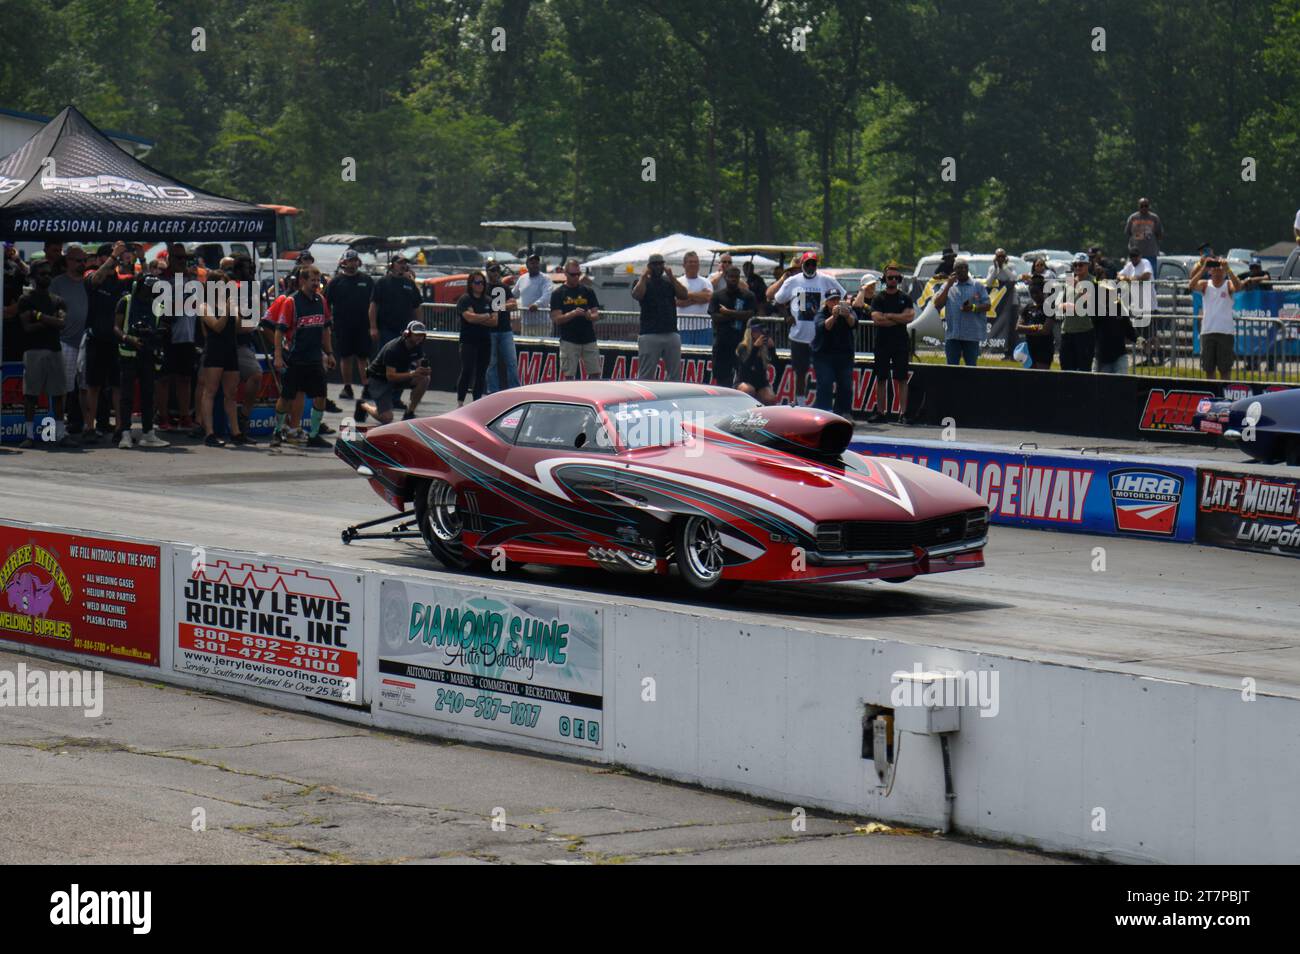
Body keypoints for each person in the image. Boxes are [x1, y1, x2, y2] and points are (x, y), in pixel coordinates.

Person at [271, 266, 335, 448]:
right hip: (295, 358)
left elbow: (325, 329)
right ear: (302, 281)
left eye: (318, 280)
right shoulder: (291, 302)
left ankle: (313, 434)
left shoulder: (321, 300)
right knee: (286, 397)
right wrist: (277, 355)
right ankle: (277, 431)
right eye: (312, 280)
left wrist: (329, 353)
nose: (316, 284)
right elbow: (279, 330)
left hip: (315, 358)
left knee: (321, 395)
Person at [769, 250, 845, 401]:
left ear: (817, 265)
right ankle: (801, 403)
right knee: (800, 372)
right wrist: (787, 316)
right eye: (807, 264)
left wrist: (833, 314)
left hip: (821, 336)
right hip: (799, 337)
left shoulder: (826, 280)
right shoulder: (793, 281)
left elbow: (842, 295)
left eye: (813, 264)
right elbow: (778, 299)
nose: (810, 266)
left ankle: (824, 403)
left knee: (825, 372)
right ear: (802, 264)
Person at [15, 260, 77, 448]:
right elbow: (27, 327)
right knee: (31, 396)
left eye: (49, 273)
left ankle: (59, 435)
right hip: (33, 351)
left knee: (58, 394)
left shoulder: (58, 300)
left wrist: (39, 316)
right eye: (42, 274)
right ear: (33, 276)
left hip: (54, 350)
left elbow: (62, 324)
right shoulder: (25, 299)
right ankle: (29, 435)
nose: (47, 277)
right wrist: (50, 321)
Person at [81, 241, 135, 443]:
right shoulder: (92, 275)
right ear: (101, 258)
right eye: (110, 256)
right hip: (96, 339)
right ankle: (89, 427)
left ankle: (121, 428)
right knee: (93, 385)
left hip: (117, 341)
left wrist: (136, 259)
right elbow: (95, 280)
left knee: (118, 386)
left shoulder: (124, 280)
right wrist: (113, 256)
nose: (115, 259)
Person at [114, 260, 169, 448]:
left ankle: (148, 433)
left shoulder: (157, 304)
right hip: (128, 353)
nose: (150, 293)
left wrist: (157, 334)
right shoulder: (126, 301)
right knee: (126, 396)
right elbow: (115, 327)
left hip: (148, 353)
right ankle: (125, 434)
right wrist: (129, 339)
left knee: (148, 394)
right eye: (148, 289)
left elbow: (163, 325)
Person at [197, 268, 253, 447]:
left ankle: (235, 432)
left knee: (231, 393)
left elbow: (236, 326)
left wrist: (239, 311)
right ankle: (209, 432)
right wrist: (228, 309)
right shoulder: (205, 306)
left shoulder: (230, 305)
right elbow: (217, 326)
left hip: (230, 350)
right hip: (214, 350)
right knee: (210, 391)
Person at [154, 243, 199, 431]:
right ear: (169, 259)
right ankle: (162, 416)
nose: (183, 262)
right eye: (179, 258)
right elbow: (159, 309)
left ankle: (185, 416)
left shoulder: (192, 280)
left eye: (185, 258)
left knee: (185, 378)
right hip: (167, 336)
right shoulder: (160, 280)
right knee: (163, 379)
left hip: (187, 335)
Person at [355, 321, 430, 424]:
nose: (419, 338)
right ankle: (363, 405)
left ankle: (409, 412)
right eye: (417, 335)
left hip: (397, 377)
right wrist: (413, 373)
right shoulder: (393, 349)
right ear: (407, 334)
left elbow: (420, 364)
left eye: (422, 335)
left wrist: (424, 370)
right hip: (379, 380)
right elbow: (390, 376)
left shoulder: (417, 346)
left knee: (424, 379)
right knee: (386, 418)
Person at [867, 263, 914, 423]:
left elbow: (909, 317)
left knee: (901, 378)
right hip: (882, 342)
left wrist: (889, 316)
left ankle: (904, 413)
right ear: (884, 279)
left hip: (900, 343)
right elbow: (878, 320)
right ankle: (881, 412)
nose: (893, 280)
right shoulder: (878, 298)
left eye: (896, 277)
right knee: (881, 378)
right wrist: (898, 318)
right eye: (890, 277)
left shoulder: (905, 297)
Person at [48, 244, 88, 434]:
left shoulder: (89, 281)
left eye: (84, 260)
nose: (82, 264)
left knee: (85, 387)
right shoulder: (57, 282)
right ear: (68, 261)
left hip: (87, 341)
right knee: (63, 387)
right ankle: (58, 427)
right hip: (66, 340)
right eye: (78, 260)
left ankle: (87, 425)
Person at [325, 249, 374, 401]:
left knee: (363, 357)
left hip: (363, 326)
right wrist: (328, 323)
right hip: (343, 326)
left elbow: (374, 303)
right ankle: (347, 387)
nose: (353, 263)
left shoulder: (367, 280)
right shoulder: (335, 282)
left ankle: (367, 386)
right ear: (343, 263)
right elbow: (325, 304)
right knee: (345, 357)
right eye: (350, 260)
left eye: (355, 260)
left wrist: (374, 324)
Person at [631, 253, 687, 380]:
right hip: (649, 333)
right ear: (649, 266)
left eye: (660, 264)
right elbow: (637, 295)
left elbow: (684, 295)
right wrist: (643, 276)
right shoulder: (641, 282)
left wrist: (672, 277)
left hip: (671, 332)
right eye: (654, 264)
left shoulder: (669, 282)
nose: (658, 267)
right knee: (646, 374)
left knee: (674, 374)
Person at [1189, 257, 1241, 380]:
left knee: (1225, 370)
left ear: (1223, 272)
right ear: (1210, 272)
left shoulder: (1228, 284)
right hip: (1208, 332)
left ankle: (1224, 395)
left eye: (1220, 270)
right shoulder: (1205, 284)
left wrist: (1228, 270)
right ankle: (1212, 394)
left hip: (1225, 333)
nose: (1218, 272)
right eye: (1215, 270)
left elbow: (1238, 287)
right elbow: (1191, 285)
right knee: (1209, 369)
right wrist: (1203, 268)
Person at [932, 256, 990, 366]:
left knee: (971, 368)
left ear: (968, 269)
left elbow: (988, 305)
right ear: (954, 270)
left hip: (971, 335)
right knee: (952, 369)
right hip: (953, 335)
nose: (962, 270)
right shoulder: (948, 286)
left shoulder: (977, 285)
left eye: (965, 267)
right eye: (959, 267)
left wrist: (973, 308)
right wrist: (948, 285)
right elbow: (937, 304)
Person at [551, 259, 602, 380]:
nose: (576, 277)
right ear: (566, 273)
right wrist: (573, 314)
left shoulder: (587, 291)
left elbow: (596, 314)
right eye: (573, 274)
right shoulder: (558, 293)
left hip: (588, 338)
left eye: (578, 274)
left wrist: (589, 316)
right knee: (569, 375)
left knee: (595, 372)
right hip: (569, 339)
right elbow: (557, 319)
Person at [707, 266, 756, 387]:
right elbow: (715, 317)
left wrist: (728, 312)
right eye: (731, 277)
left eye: (736, 277)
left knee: (745, 379)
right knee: (722, 379)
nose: (733, 279)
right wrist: (738, 315)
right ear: (726, 277)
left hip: (742, 344)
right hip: (722, 343)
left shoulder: (747, 295)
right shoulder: (717, 296)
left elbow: (750, 314)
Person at [811, 291, 856, 416]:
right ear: (827, 302)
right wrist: (834, 316)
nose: (835, 303)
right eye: (832, 300)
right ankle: (824, 411)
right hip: (824, 355)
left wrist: (846, 315)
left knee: (846, 385)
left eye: (837, 299)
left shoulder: (848, 310)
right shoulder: (821, 313)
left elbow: (854, 323)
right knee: (825, 382)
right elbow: (824, 327)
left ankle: (844, 412)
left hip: (844, 354)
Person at [455, 270, 493, 405]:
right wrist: (486, 316)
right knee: (467, 370)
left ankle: (476, 402)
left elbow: (495, 321)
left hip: (485, 341)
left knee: (481, 373)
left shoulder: (489, 300)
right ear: (471, 284)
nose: (480, 285)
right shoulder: (465, 299)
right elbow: (469, 318)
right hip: (468, 341)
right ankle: (460, 402)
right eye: (477, 282)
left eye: (482, 282)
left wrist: (477, 316)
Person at [369, 256, 422, 352]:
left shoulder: (410, 283)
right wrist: (373, 327)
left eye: (405, 263)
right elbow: (373, 306)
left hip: (406, 329)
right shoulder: (382, 282)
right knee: (387, 357)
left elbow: (417, 306)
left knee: (405, 359)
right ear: (392, 265)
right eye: (400, 263)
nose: (403, 265)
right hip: (386, 329)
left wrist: (419, 326)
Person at [483, 259, 521, 394]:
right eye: (492, 270)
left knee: (512, 362)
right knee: (491, 363)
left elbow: (514, 305)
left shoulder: (504, 287)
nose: (496, 273)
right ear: (487, 272)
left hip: (505, 329)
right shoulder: (483, 288)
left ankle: (514, 390)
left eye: (497, 270)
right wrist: (501, 307)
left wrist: (497, 307)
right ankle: (493, 391)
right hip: (489, 330)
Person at [1015, 277, 1055, 370]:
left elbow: (1046, 330)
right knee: (1030, 377)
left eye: (1037, 293)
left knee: (1041, 377)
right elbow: (1018, 328)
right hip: (1029, 348)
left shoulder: (1049, 307)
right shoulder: (1028, 307)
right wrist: (1034, 327)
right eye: (1032, 293)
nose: (1034, 295)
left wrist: (1027, 329)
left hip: (1044, 348)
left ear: (1043, 292)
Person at [734, 318, 776, 404]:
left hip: (761, 383)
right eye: (757, 330)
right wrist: (755, 348)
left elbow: (776, 364)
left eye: (761, 331)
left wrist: (772, 349)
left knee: (770, 398)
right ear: (750, 332)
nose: (760, 333)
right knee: (749, 390)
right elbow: (746, 367)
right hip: (744, 380)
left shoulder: (764, 346)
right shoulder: (742, 347)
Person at [676, 250, 713, 344]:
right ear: (684, 265)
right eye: (690, 262)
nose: (693, 264)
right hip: (683, 328)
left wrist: (686, 295)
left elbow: (708, 297)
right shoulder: (678, 282)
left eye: (696, 262)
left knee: (704, 356)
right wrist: (699, 296)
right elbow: (677, 302)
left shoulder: (706, 282)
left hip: (704, 327)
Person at [514, 252, 553, 336]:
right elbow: (514, 294)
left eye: (537, 263)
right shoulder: (522, 278)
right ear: (527, 265)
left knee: (542, 348)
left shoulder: (545, 279)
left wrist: (536, 305)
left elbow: (547, 296)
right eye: (532, 263)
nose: (535, 265)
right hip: (526, 323)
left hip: (542, 324)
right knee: (525, 347)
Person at [1124, 198, 1163, 268]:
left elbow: (1159, 235)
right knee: (1134, 275)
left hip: (1150, 253)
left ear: (1149, 206)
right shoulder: (1133, 218)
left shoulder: (1154, 218)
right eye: (1142, 206)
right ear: (1138, 206)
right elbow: (1128, 233)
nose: (1144, 208)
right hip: (1135, 254)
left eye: (1146, 206)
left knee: (1150, 275)